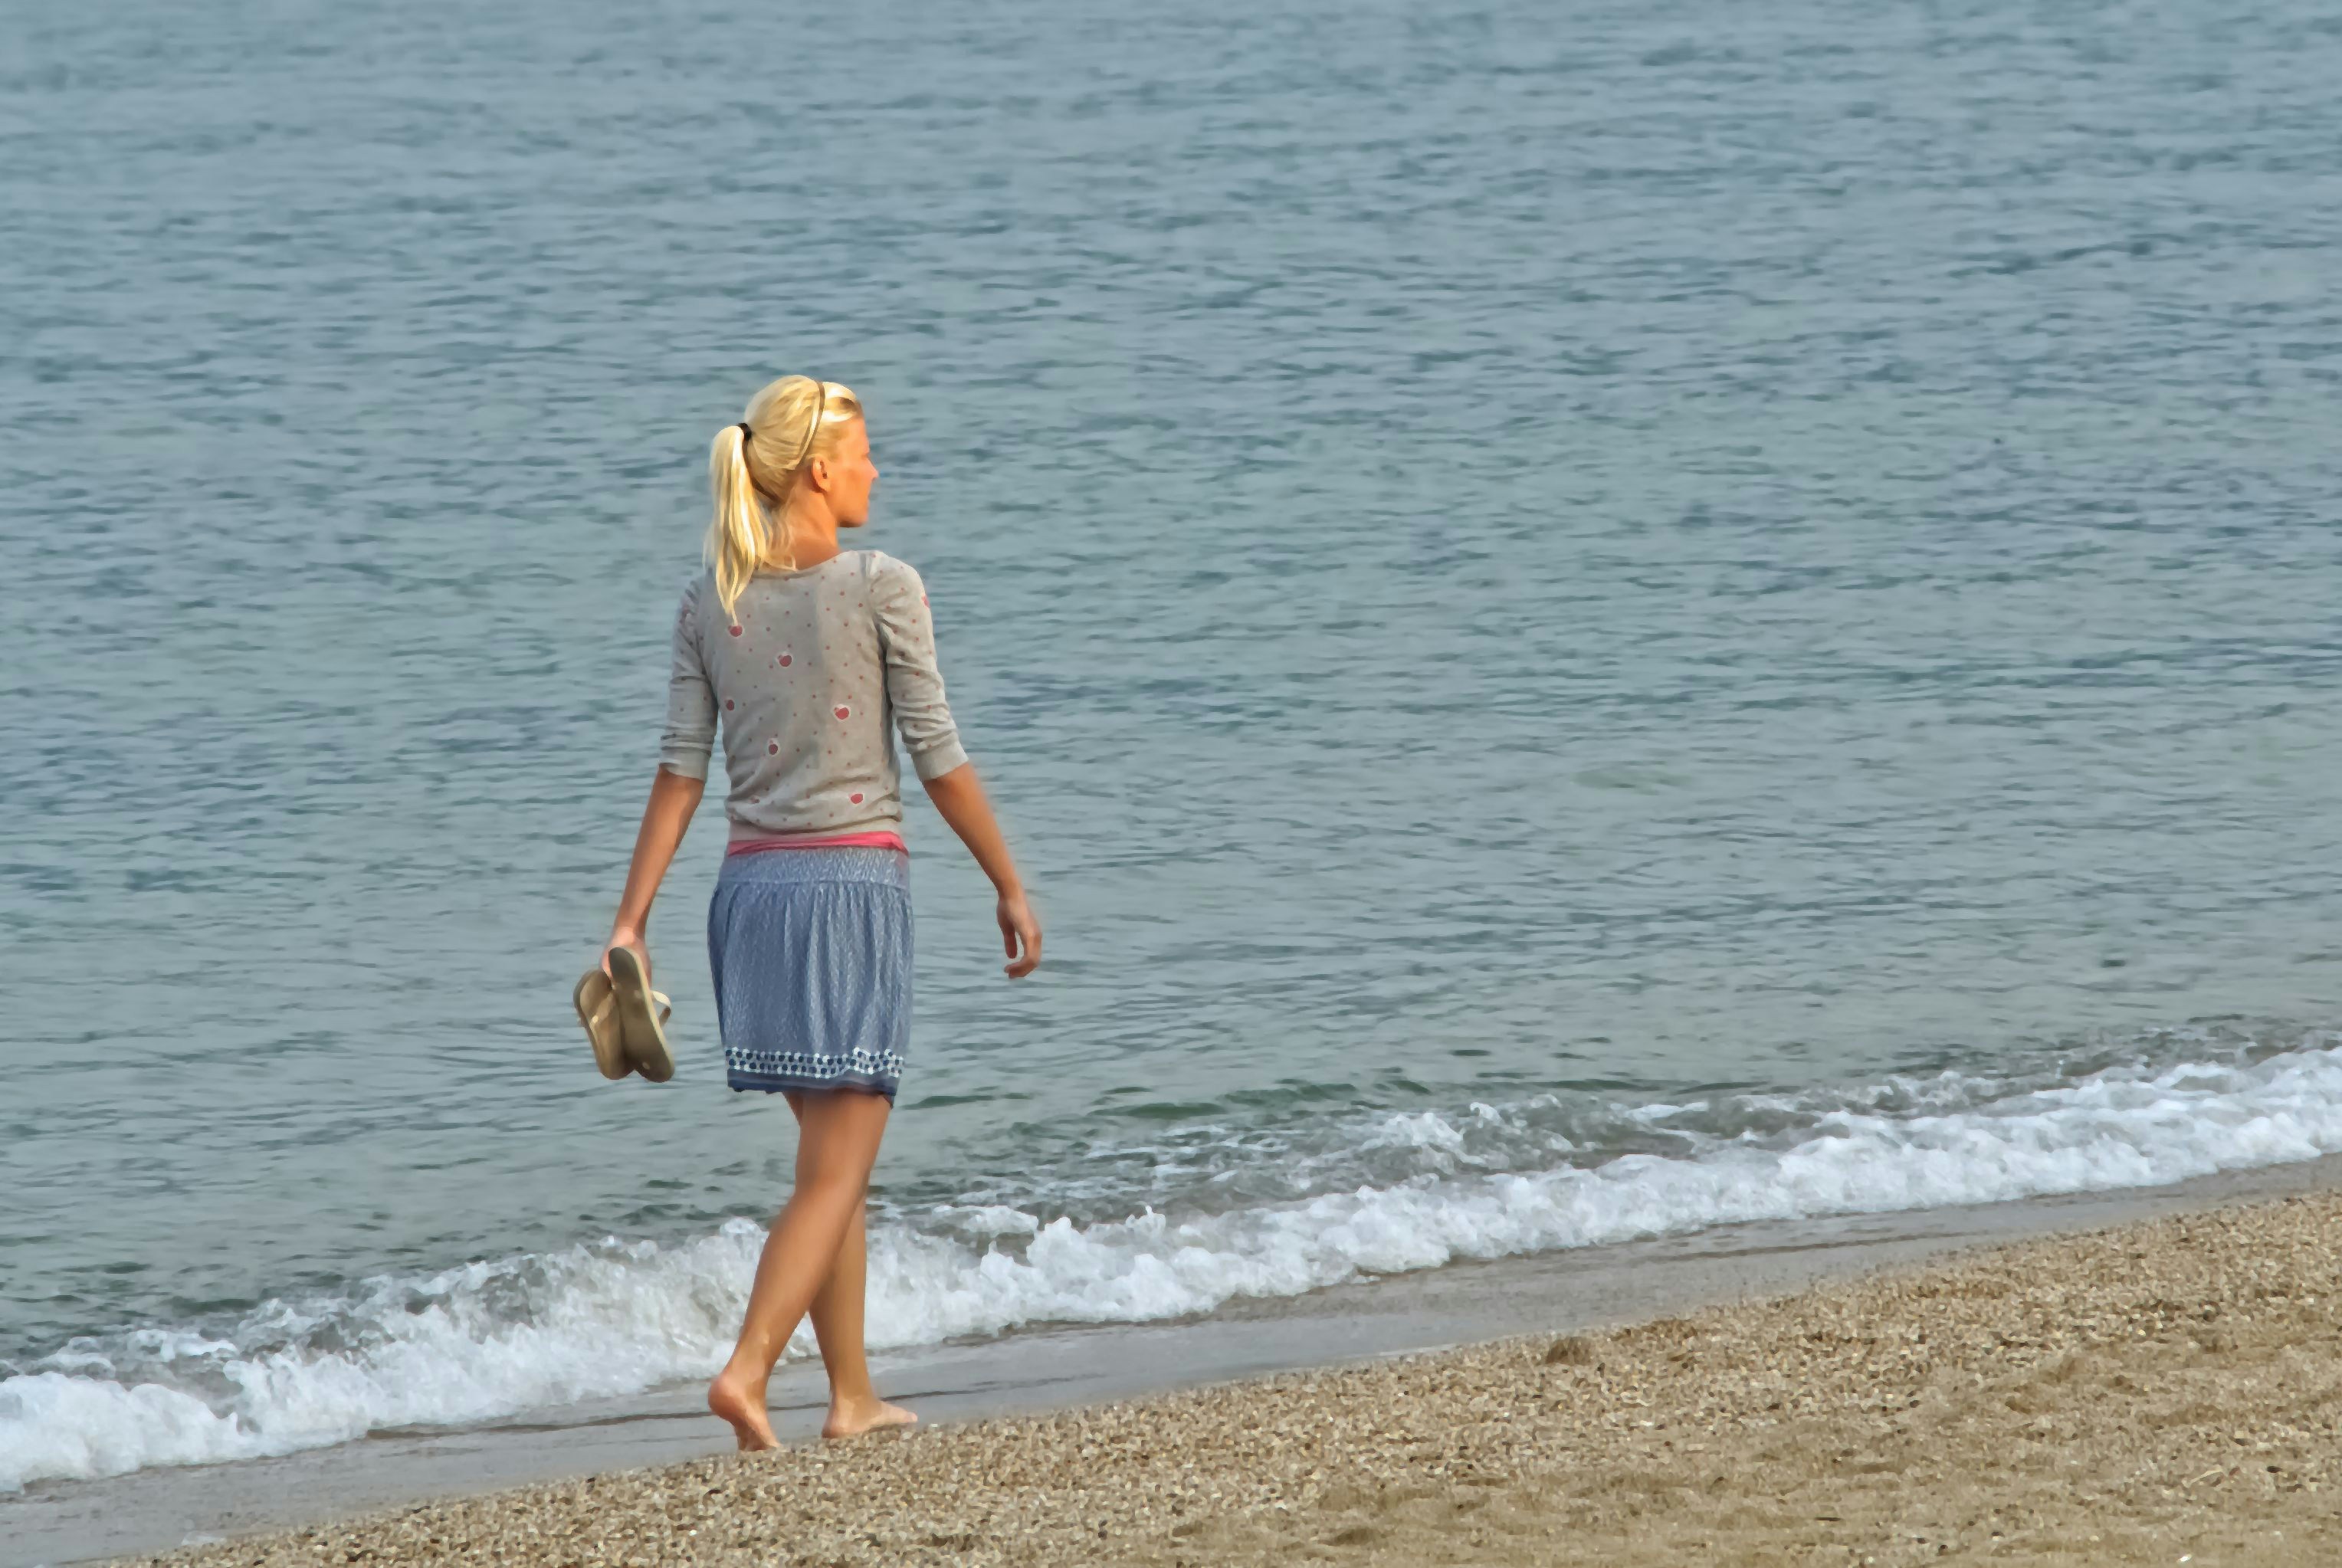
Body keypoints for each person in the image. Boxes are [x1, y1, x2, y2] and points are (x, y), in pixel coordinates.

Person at [597, 373, 1041, 1449]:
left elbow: (677, 772)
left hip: (749, 899)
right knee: (842, 1164)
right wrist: (1009, 880)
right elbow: (937, 755)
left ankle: (849, 1397)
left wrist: (629, 920)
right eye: (865, 451)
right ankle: (746, 1371)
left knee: (827, 1167)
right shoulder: (884, 584)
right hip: (848, 892)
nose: (877, 468)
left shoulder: (711, 600)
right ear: (816, 471)